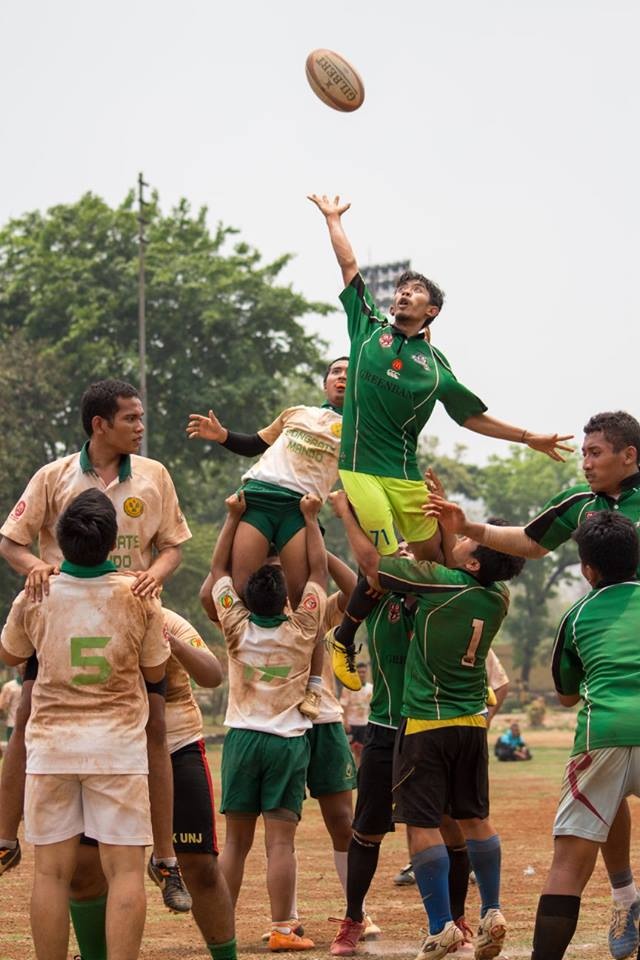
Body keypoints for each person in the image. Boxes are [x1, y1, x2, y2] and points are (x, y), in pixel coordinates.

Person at [307, 193, 572, 688]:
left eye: (414, 294)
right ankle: (343, 637)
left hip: (406, 475)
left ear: (432, 312)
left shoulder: (436, 369)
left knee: (432, 559)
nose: (403, 296)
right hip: (361, 471)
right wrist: (332, 220)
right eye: (401, 291)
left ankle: (423, 633)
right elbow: (347, 265)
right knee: (380, 566)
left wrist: (528, 436)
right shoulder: (366, 331)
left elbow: (473, 417)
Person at [425, 409, 640, 959]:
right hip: (617, 653)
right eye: (585, 452)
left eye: (595, 453)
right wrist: (466, 527)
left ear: (628, 457)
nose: (585, 462)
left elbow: (565, 693)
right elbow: (528, 540)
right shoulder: (580, 505)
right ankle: (625, 897)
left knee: (599, 780)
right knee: (608, 782)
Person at [0, 378, 192, 914]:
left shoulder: (154, 476)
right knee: (27, 714)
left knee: (154, 725)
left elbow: (174, 545)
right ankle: (5, 837)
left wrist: (153, 574)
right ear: (99, 425)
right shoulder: (53, 476)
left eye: (141, 416)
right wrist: (38, 567)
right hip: (61, 618)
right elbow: (11, 542)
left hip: (131, 617)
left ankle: (167, 858)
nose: (140, 425)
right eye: (131, 418)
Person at [332, 487, 525, 960]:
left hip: (425, 725)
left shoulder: (441, 586)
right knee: (475, 818)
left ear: (473, 563)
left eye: (468, 540)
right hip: (471, 727)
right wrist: (442, 519)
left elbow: (374, 567)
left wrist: (344, 512)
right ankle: (492, 909)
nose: (459, 539)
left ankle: (442, 924)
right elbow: (441, 555)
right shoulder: (497, 596)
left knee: (423, 826)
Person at [0, 489, 170, 960]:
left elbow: (10, 654)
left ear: (58, 539)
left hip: (51, 748)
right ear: (113, 541)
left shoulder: (36, 591)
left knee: (50, 873)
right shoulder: (138, 596)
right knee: (125, 873)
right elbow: (155, 672)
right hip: (117, 750)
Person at [67, 607, 238, 960]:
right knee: (84, 868)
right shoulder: (85, 617)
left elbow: (212, 674)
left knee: (200, 867)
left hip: (177, 746)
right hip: (107, 754)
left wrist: (170, 643)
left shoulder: (165, 618)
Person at [212, 490, 327, 952]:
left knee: (235, 844)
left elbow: (219, 572)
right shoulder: (302, 630)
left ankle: (223, 930)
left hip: (241, 739)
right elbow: (317, 573)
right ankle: (282, 929)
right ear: (286, 600)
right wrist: (310, 518)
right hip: (286, 742)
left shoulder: (235, 628)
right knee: (281, 844)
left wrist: (234, 517)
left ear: (247, 598)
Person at [530, 512, 640, 960]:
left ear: (587, 570)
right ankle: (626, 901)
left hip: (603, 737)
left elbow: (567, 696)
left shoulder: (576, 617)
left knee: (568, 866)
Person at [339, 664, 373, 765]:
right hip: (351, 724)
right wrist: (345, 722)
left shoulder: (371, 688)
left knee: (363, 751)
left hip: (365, 724)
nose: (361, 674)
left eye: (363, 672)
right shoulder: (348, 687)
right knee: (349, 750)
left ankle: (360, 771)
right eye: (359, 672)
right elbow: (343, 706)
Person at [0, 667, 23, 741]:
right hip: (13, 726)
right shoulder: (9, 687)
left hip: (32, 727)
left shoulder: (38, 686)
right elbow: (1, 706)